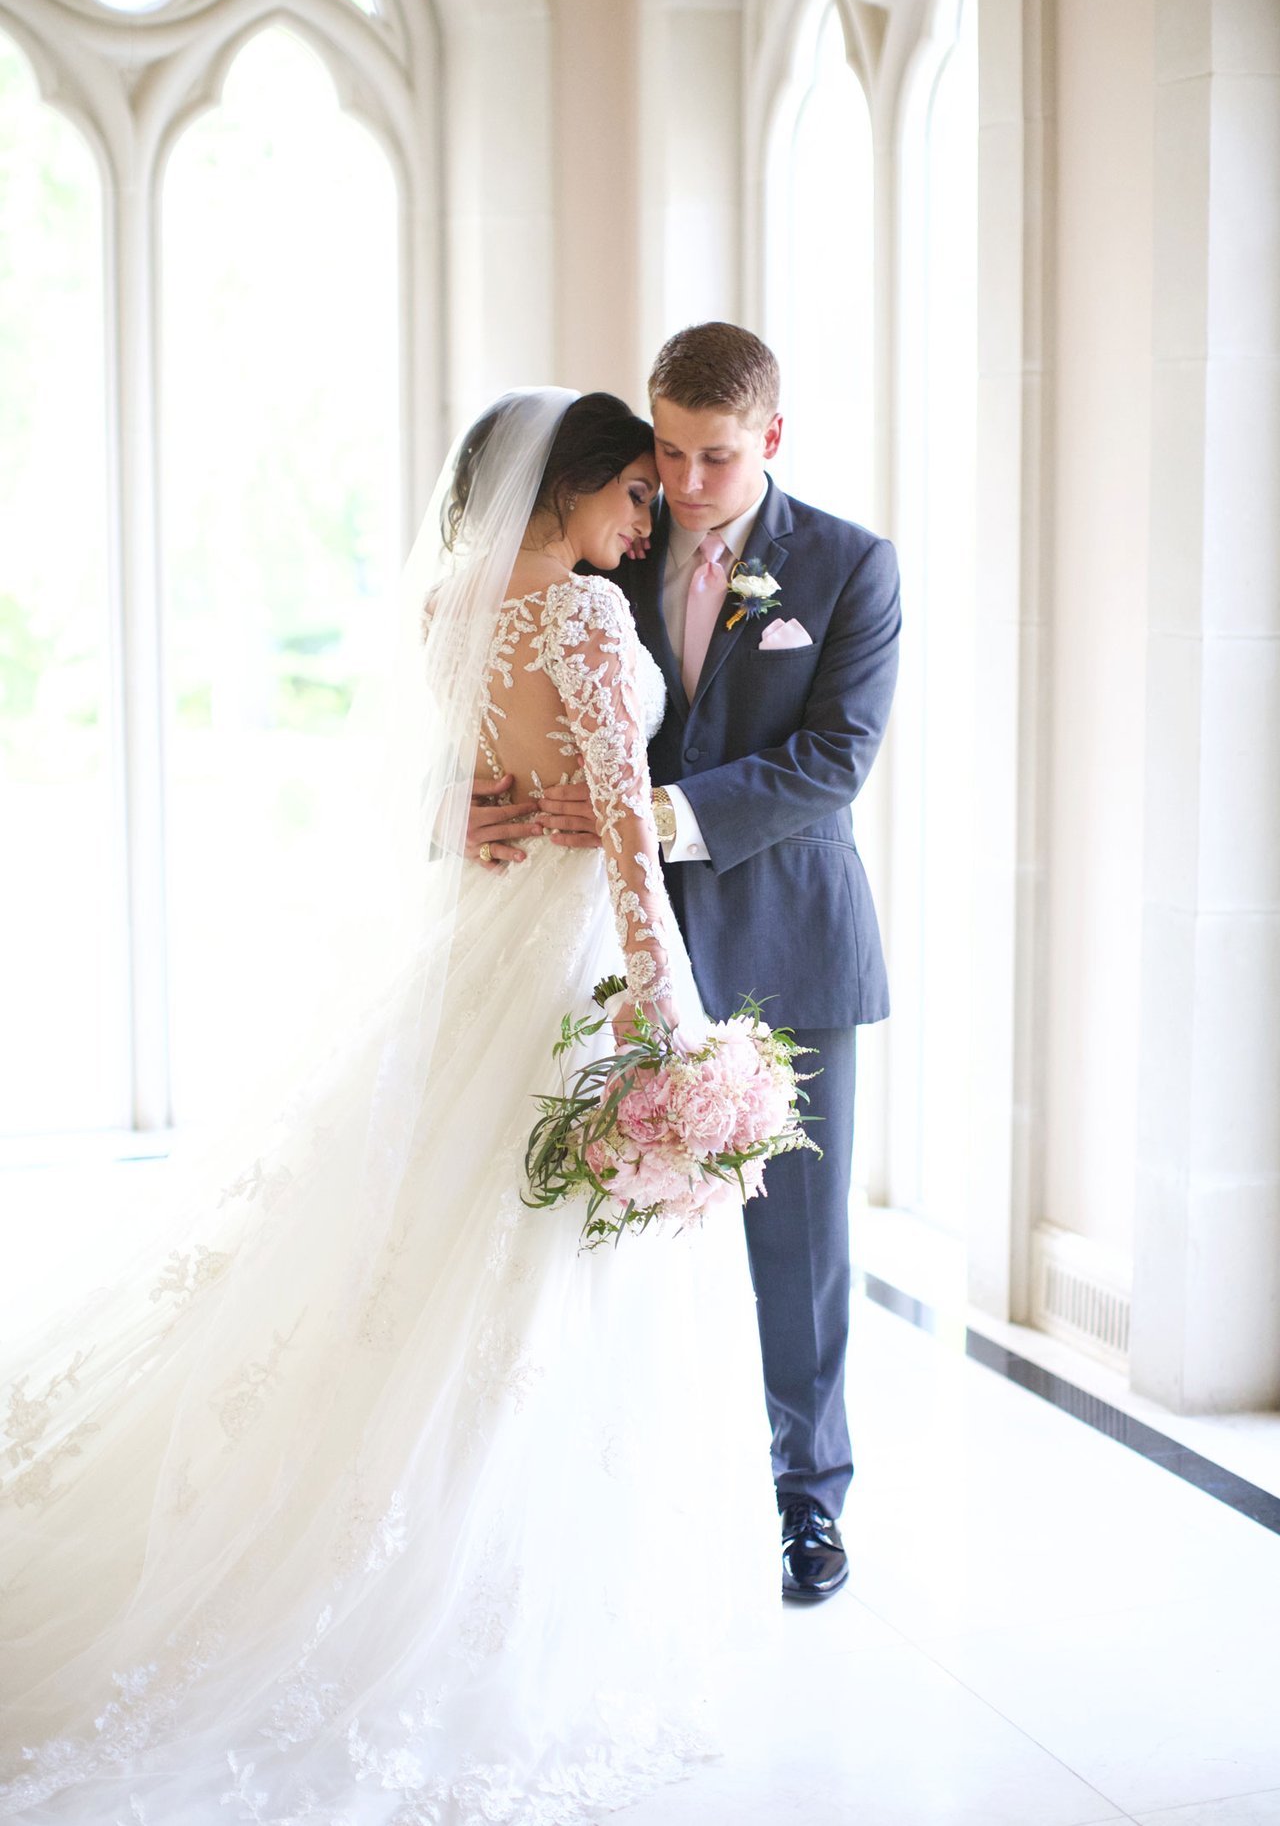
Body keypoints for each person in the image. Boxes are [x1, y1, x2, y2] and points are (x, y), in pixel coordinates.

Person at [0, 389, 775, 1824]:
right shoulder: (591, 623)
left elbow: (460, 791)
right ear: (585, 484)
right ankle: (480, 1579)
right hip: (562, 962)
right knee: (535, 1271)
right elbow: (618, 834)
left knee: (426, 1253)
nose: (639, 527)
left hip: (473, 944)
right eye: (629, 501)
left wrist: (467, 818)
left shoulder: (450, 612)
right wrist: (678, 1028)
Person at [471, 325, 901, 1604]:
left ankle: (806, 1503)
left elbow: (834, 756)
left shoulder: (847, 566)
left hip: (789, 934)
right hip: (600, 940)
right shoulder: (613, 535)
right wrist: (471, 807)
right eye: (666, 449)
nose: (687, 481)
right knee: (585, 1225)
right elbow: (518, 698)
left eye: (715, 455)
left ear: (768, 437)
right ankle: (611, 1506)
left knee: (801, 1246)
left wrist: (649, 819)